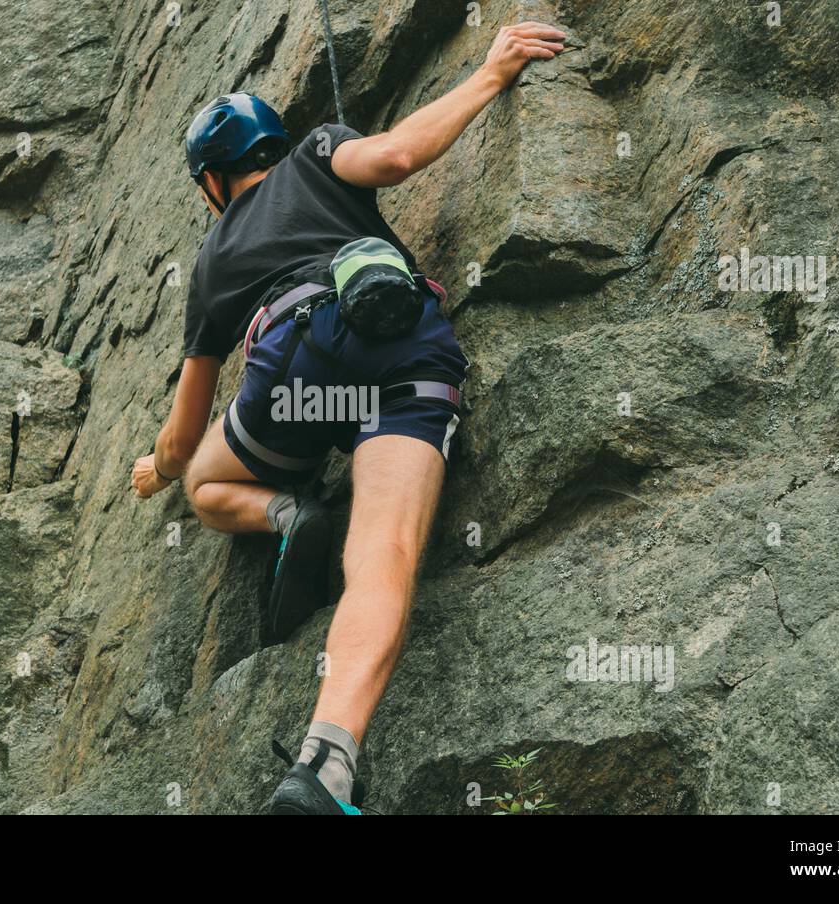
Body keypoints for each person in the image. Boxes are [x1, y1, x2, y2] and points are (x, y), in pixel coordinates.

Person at [132, 21, 568, 814]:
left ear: (213, 183)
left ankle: (289, 510)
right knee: (384, 555)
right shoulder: (316, 151)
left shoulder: (213, 259)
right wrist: (492, 69)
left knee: (204, 485)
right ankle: (325, 762)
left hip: (295, 375)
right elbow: (398, 156)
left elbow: (184, 433)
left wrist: (157, 470)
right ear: (273, 145)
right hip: (398, 347)